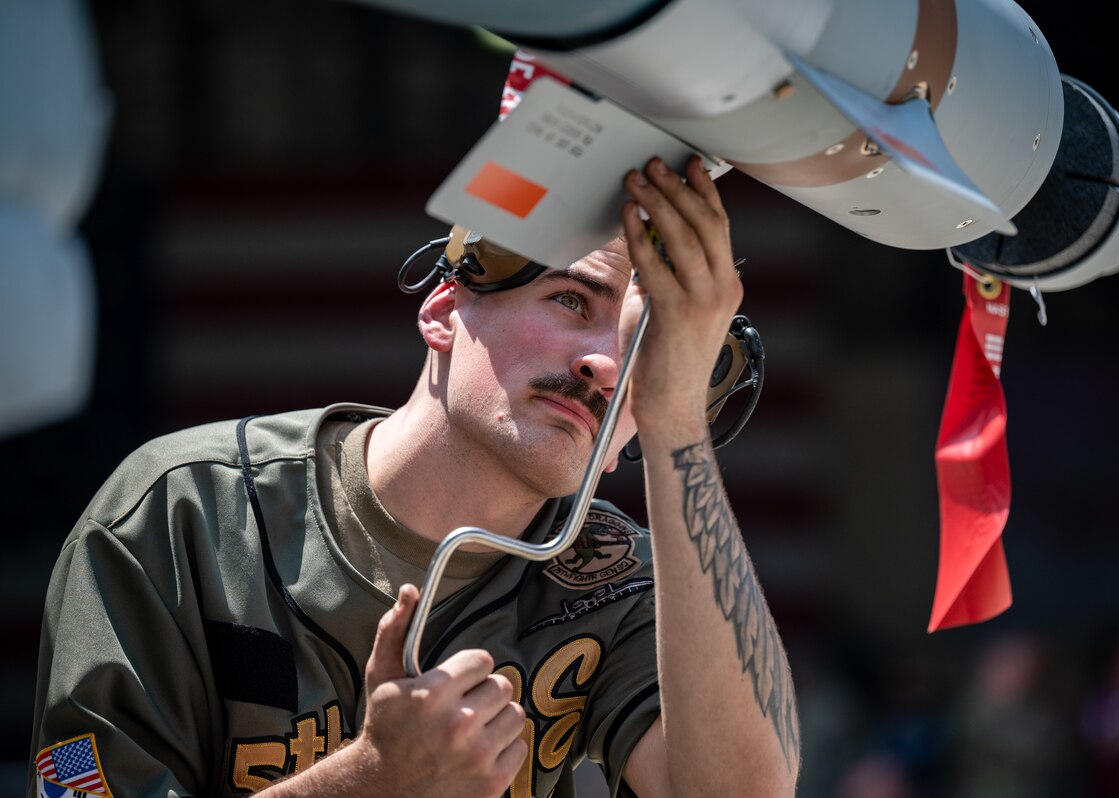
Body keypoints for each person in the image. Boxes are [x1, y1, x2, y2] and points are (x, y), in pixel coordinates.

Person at [29, 154, 801, 797]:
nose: (605, 364)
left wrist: (678, 423)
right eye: (571, 299)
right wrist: (372, 780)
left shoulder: (615, 577)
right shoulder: (180, 509)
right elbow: (72, 782)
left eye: (642, 349)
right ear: (443, 310)